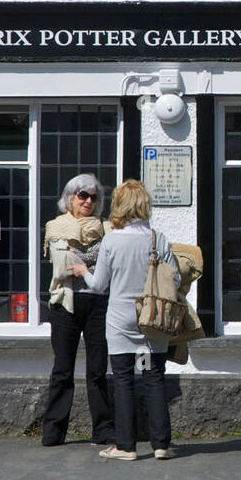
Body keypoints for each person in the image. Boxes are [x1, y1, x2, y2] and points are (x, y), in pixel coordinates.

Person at [70, 179, 179, 461]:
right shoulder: (158, 238)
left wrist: (84, 271)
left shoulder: (112, 240)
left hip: (120, 319)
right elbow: (175, 278)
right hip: (152, 316)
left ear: (120, 205)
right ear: (144, 205)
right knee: (155, 377)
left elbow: (99, 284)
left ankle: (126, 446)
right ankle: (161, 445)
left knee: (123, 380)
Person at [41, 174, 114, 446]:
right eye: (83, 195)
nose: (88, 201)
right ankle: (54, 432)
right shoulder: (56, 226)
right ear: (70, 197)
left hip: (98, 303)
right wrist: (92, 266)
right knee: (62, 369)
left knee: (97, 371)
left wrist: (81, 264)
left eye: (94, 197)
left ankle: (104, 430)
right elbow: (62, 267)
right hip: (65, 303)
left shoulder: (107, 228)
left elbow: (108, 269)